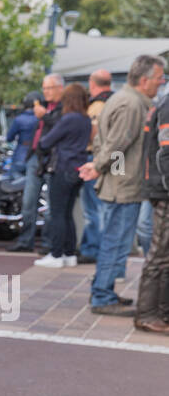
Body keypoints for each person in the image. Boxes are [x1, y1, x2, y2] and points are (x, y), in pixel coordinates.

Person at [80, 54, 167, 314]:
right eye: (159, 78)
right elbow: (118, 145)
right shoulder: (131, 104)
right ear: (144, 80)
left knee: (115, 240)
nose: (161, 83)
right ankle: (102, 295)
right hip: (124, 188)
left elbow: (108, 143)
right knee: (115, 242)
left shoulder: (124, 99)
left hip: (121, 184)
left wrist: (106, 168)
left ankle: (103, 291)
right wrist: (105, 169)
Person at [35, 83, 91, 267]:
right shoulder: (85, 119)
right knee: (67, 214)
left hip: (63, 167)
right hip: (78, 169)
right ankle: (69, 254)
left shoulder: (69, 118)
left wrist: (43, 143)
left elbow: (46, 141)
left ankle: (56, 254)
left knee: (58, 213)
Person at [11, 73, 64, 252]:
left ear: (60, 88)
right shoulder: (42, 106)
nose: (46, 92)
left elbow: (60, 128)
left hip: (52, 159)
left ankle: (48, 243)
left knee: (50, 205)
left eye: (49, 88)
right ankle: (25, 241)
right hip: (35, 157)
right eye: (44, 88)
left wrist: (44, 116)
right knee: (28, 201)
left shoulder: (63, 108)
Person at [134, 75, 169, 334]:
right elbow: (165, 151)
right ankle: (147, 314)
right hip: (162, 190)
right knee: (159, 254)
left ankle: (159, 313)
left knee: (162, 255)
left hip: (157, 186)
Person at [78, 70, 114, 263]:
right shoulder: (114, 101)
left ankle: (92, 249)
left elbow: (94, 134)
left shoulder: (97, 106)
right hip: (112, 160)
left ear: (92, 83)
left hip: (97, 159)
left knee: (94, 208)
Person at [5, 92, 41, 177]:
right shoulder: (41, 118)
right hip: (36, 157)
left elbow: (9, 138)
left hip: (20, 157)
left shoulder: (19, 119)